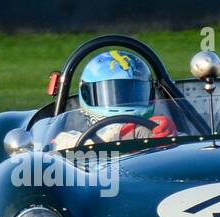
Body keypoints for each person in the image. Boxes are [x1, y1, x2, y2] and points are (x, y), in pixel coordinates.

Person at [48, 49, 176, 150]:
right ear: (86, 95)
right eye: (113, 93)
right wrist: (126, 134)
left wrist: (171, 135)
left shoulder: (157, 131)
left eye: (133, 93)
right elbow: (57, 144)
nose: (124, 103)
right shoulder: (68, 138)